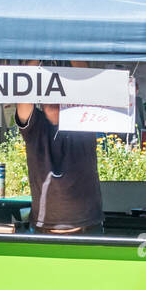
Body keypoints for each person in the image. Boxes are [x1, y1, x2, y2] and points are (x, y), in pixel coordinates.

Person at [13, 98, 104, 234]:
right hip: (44, 231)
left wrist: (128, 90)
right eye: (48, 96)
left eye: (58, 96)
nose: (54, 99)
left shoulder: (84, 122)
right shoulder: (35, 125)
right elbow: (23, 95)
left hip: (88, 227)